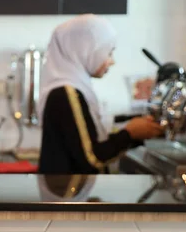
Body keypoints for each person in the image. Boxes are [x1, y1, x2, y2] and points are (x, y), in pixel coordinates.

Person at [38, 14, 163, 174]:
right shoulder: (66, 94)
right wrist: (130, 134)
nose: (112, 61)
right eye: (108, 53)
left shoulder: (72, 89)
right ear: (85, 50)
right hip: (69, 196)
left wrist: (135, 130)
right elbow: (92, 158)